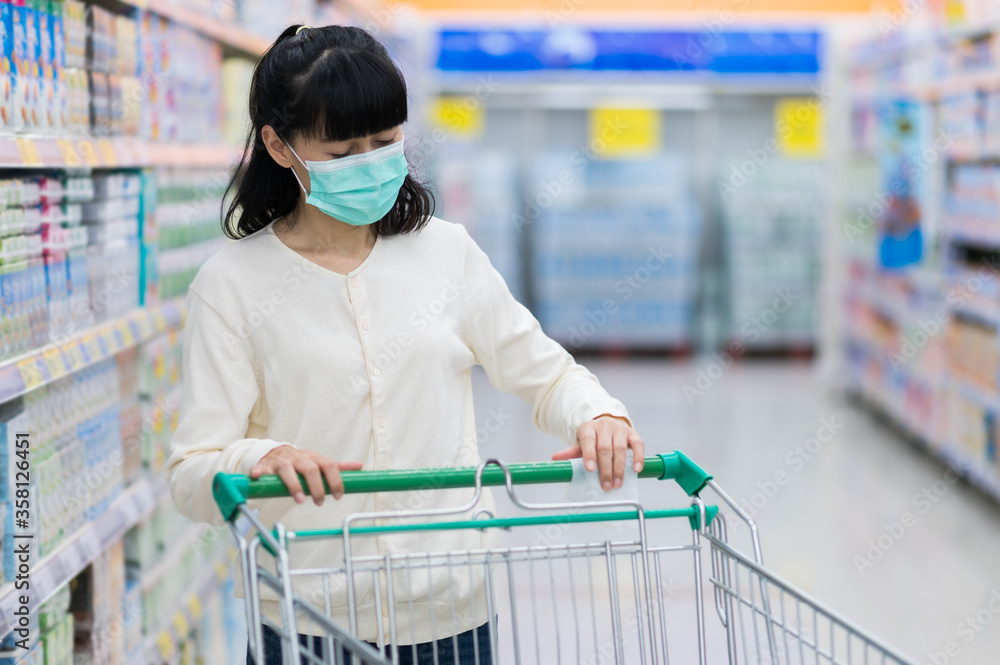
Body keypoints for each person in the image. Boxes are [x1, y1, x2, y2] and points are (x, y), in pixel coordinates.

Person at [165, 24, 644, 665]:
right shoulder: (232, 286)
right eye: (341, 152)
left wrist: (599, 413)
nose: (369, 162)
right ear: (280, 147)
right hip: (308, 620)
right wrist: (258, 457)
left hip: (452, 615)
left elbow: (548, 375)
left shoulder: (446, 255)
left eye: (385, 143)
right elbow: (191, 473)